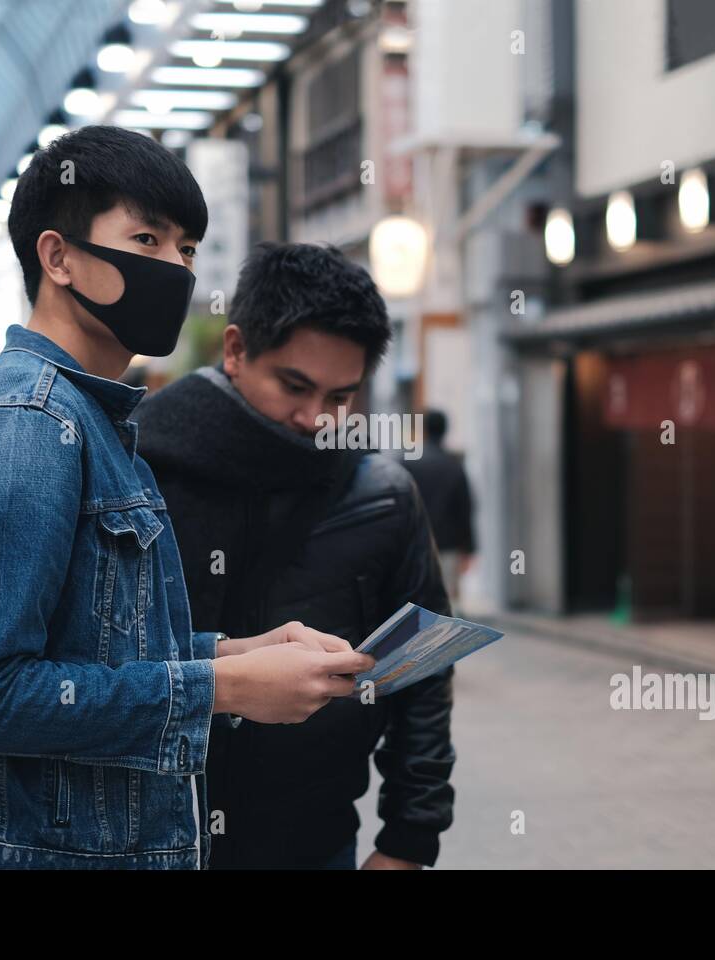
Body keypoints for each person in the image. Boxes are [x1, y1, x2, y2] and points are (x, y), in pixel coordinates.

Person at [0, 126, 372, 872]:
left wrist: (238, 653)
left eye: (188, 250)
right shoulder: (27, 426)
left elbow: (94, 652)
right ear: (58, 256)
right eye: (147, 238)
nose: (174, 267)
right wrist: (223, 689)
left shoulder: (90, 419)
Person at [135, 242, 455, 870]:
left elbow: (425, 671)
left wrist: (409, 841)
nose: (316, 418)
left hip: (315, 840)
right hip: (146, 838)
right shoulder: (138, 472)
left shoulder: (381, 494)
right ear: (235, 350)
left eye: (340, 397)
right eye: (294, 385)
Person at [402, 409, 475, 610]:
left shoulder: (408, 462)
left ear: (424, 429)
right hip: (448, 545)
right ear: (445, 430)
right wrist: (468, 549)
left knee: (416, 602)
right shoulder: (454, 465)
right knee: (447, 602)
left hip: (415, 544)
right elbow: (465, 508)